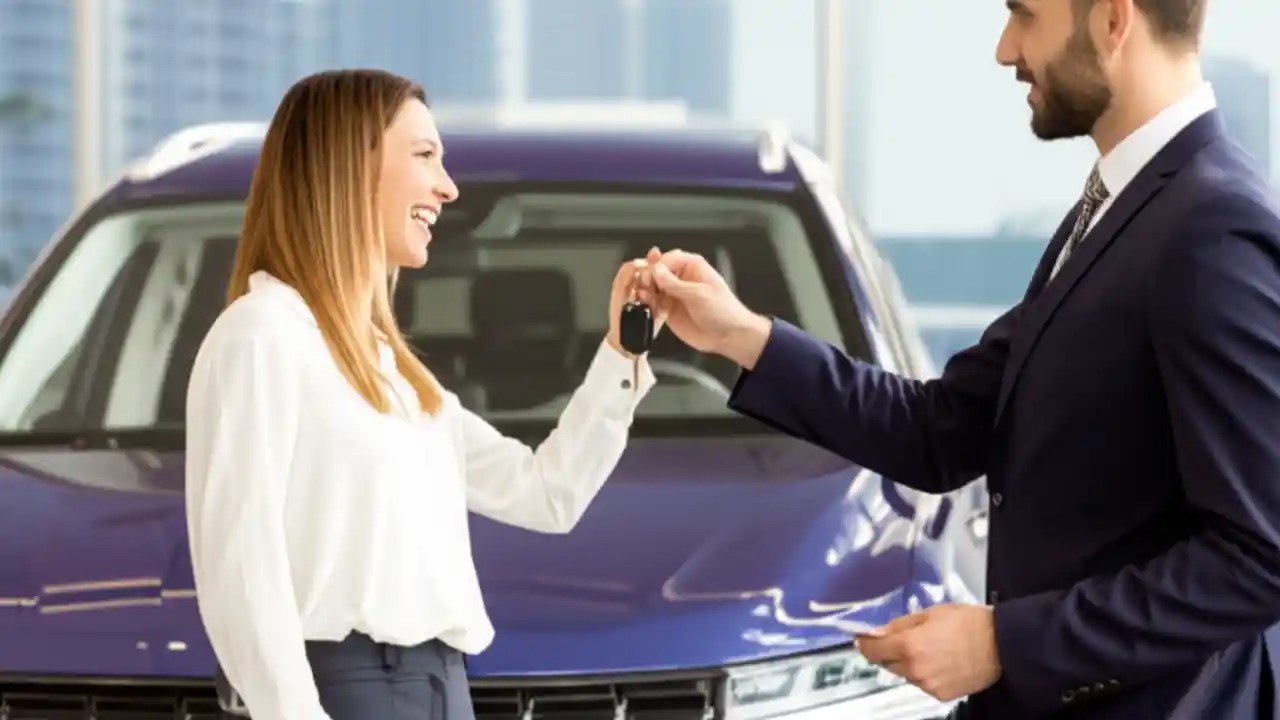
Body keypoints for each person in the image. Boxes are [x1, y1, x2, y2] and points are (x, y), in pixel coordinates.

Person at [636, 0, 1280, 717]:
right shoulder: (1118, 210)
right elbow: (941, 428)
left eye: (1025, 16)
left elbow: (1260, 557)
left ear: (1111, 19)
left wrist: (1006, 644)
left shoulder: (1212, 228)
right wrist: (739, 335)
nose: (1006, 50)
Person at [184, 69, 660, 720]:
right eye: (426, 156)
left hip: (441, 687)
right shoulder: (262, 336)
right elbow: (242, 564)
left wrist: (623, 354)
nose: (448, 186)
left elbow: (547, 493)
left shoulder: (397, 373)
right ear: (351, 167)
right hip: (345, 690)